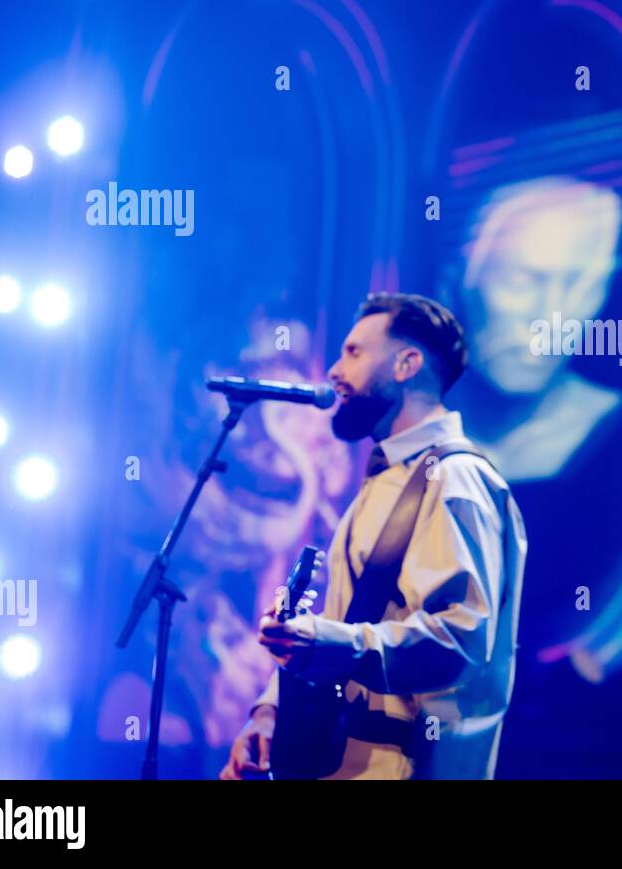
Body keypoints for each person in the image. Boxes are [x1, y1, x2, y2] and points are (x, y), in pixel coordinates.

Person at [219, 292, 528, 779]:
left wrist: (328, 642)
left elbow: (461, 640)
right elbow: (349, 623)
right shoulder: (387, 479)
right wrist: (270, 713)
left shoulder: (455, 478)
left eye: (354, 352)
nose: (335, 372)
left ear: (407, 364)